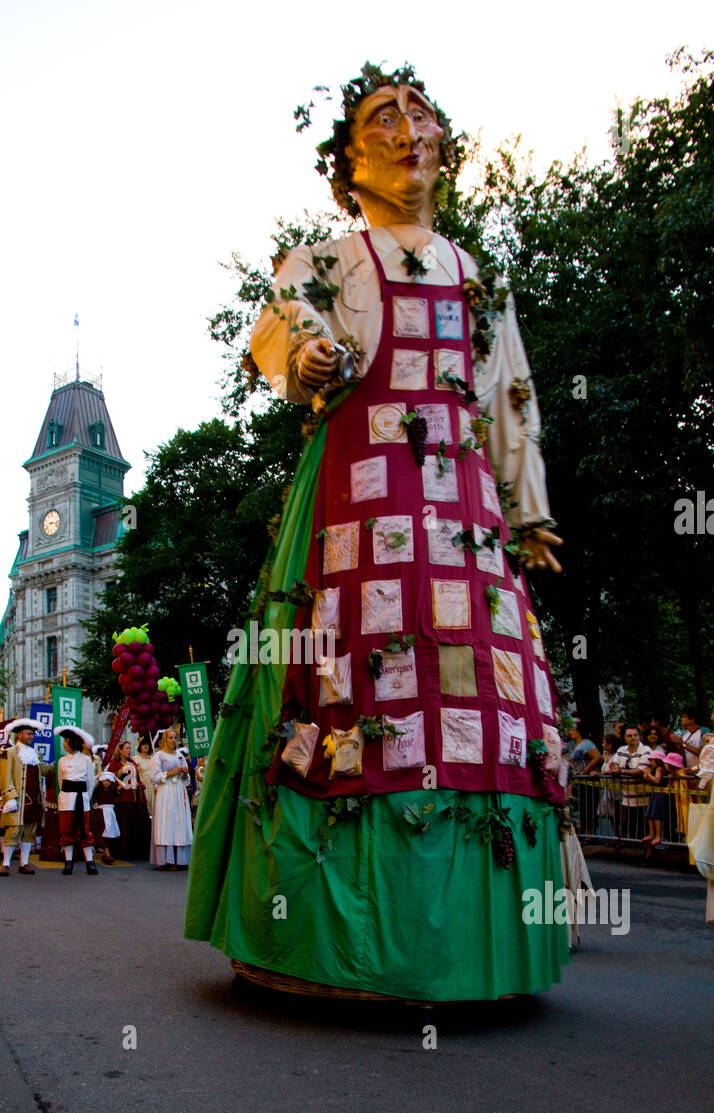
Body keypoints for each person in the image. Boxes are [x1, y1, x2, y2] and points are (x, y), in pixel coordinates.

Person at [185, 64, 574, 1000]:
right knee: (336, 697)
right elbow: (283, 324)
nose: (409, 132)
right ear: (347, 161)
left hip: (462, 523)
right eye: (381, 120)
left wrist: (527, 511)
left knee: (480, 700)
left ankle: (469, 950)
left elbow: (507, 398)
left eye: (421, 117)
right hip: (352, 520)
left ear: (442, 147)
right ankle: (315, 944)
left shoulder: (480, 277)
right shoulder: (328, 259)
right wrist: (312, 351)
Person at [0, 718, 52, 876]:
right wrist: (10, 797)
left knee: (30, 831)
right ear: (20, 735)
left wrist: (58, 764)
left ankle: (24, 863)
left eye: (32, 734)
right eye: (29, 734)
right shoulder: (9, 753)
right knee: (14, 831)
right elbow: (5, 778)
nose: (31, 737)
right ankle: (6, 864)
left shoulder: (35, 753)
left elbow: (42, 770)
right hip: (19, 799)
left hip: (34, 798)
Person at [55, 725, 97, 875]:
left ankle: (89, 861)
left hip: (81, 799)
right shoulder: (61, 761)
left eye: (66, 741)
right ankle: (68, 861)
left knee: (84, 830)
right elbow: (61, 782)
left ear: (73, 742)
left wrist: (86, 797)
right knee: (66, 830)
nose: (63, 743)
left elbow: (91, 782)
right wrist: (65, 795)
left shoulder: (86, 760)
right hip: (66, 800)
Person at [150, 728, 193, 869]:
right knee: (167, 821)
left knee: (180, 821)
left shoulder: (180, 756)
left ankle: (181, 858)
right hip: (166, 790)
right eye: (170, 737)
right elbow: (154, 777)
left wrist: (185, 774)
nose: (173, 740)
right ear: (164, 740)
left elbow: (187, 780)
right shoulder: (159, 756)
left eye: (175, 737)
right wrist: (170, 773)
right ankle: (167, 859)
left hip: (179, 791)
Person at [641, 747, 668, 847]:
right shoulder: (653, 769)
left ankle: (658, 835)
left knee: (656, 815)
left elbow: (657, 780)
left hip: (659, 794)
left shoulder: (659, 768)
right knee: (649, 814)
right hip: (653, 793)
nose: (650, 762)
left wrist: (648, 774)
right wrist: (647, 775)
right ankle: (651, 834)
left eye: (651, 760)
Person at [679, 705, 710, 771]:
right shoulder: (683, 734)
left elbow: (701, 752)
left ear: (692, 719)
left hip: (703, 771)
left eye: (684, 716)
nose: (681, 719)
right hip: (688, 771)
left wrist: (682, 744)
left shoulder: (705, 731)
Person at [134, 736, 156, 814]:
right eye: (143, 744)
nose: (146, 746)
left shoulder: (153, 758)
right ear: (140, 746)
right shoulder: (135, 759)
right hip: (143, 785)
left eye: (147, 744)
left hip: (154, 784)